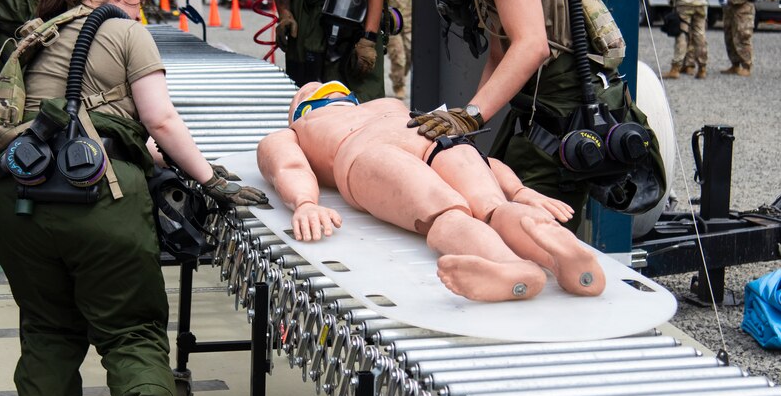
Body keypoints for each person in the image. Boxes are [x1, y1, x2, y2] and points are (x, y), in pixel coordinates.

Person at [0, 0, 268, 396]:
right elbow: (161, 118)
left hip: (17, 203)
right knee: (130, 327)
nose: (139, 8)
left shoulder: (33, 32)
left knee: (46, 322)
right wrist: (211, 180)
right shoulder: (125, 31)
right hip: (98, 199)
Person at [257, 81, 606, 303]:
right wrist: (517, 190)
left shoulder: (304, 127)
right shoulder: (388, 104)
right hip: (434, 133)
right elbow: (488, 161)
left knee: (447, 214)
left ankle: (511, 267)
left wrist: (304, 202)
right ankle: (562, 257)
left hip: (369, 152)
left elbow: (286, 165)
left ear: (301, 109)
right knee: (493, 205)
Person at [411, 0, 609, 232]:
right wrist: (463, 125)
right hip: (543, 111)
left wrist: (470, 115)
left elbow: (532, 45)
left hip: (557, 119)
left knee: (533, 234)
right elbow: (500, 55)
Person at [386, 0, 412, 102]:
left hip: (409, 27)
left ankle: (397, 76)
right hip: (394, 30)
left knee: (409, 57)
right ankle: (399, 86)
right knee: (399, 58)